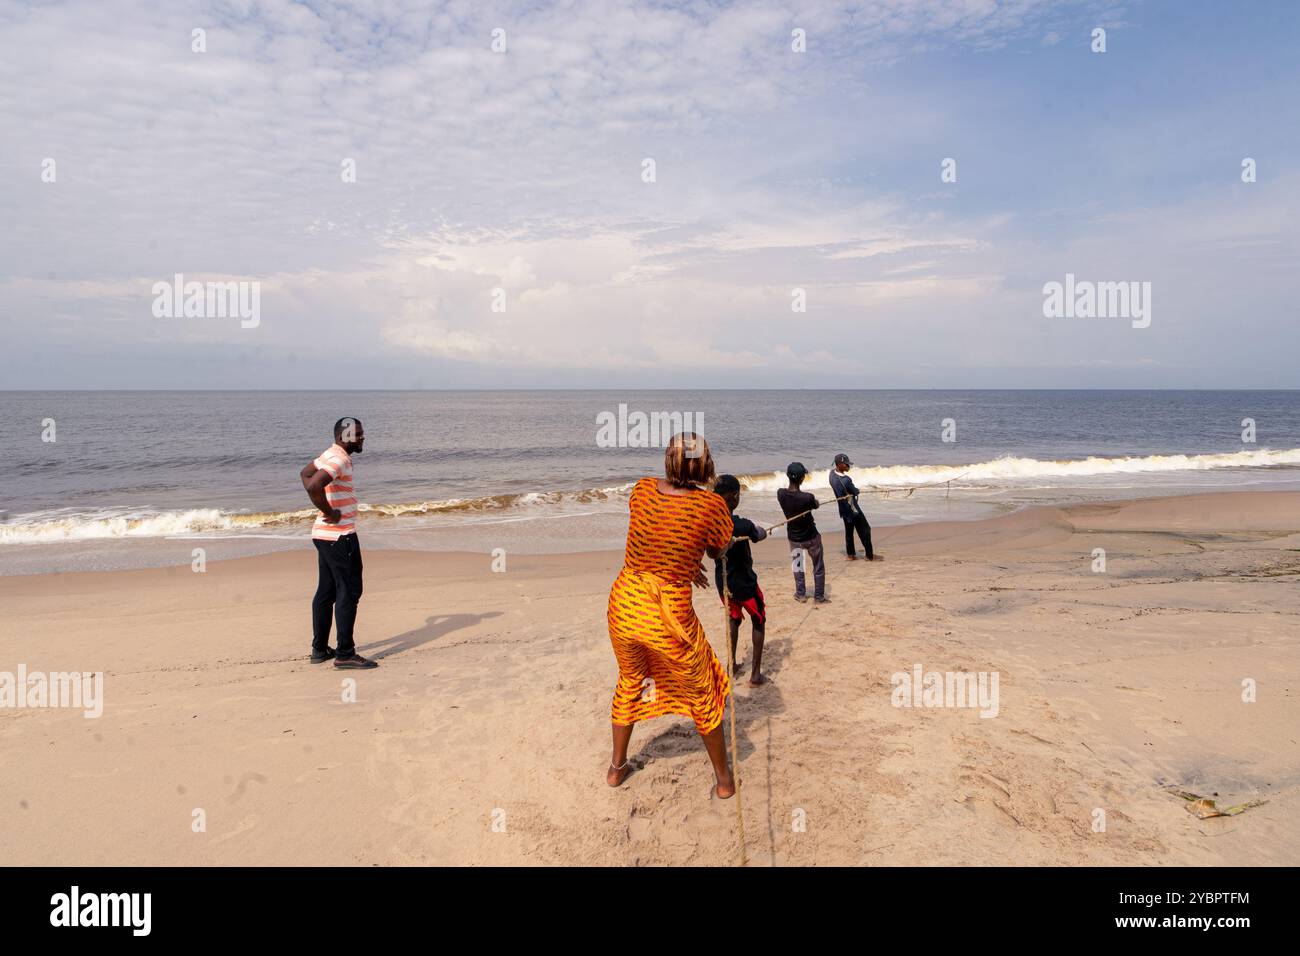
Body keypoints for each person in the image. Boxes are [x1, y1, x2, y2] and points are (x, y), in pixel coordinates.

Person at [606, 433, 736, 798]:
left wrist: (682, 564)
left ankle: (616, 769)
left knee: (630, 681)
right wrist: (688, 562)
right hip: (667, 616)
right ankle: (724, 782)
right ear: (706, 466)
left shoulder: (642, 489)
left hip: (624, 605)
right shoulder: (710, 507)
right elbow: (718, 549)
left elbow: (656, 537)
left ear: (668, 461)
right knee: (702, 690)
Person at [300, 417, 378, 669]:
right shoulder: (339, 459)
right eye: (357, 433)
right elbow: (313, 484)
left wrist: (325, 510)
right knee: (350, 591)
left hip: (324, 535)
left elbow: (305, 472)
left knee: (326, 591)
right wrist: (330, 512)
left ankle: (320, 649)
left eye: (362, 432)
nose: (363, 437)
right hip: (340, 535)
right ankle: (345, 653)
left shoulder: (330, 454)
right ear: (343, 436)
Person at [712, 475, 769, 686]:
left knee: (733, 618)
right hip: (745, 584)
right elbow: (758, 534)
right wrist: (763, 532)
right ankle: (755, 675)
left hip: (724, 584)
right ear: (735, 497)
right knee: (759, 619)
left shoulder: (712, 525)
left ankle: (732, 664)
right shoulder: (742, 525)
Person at [777, 461, 828, 604]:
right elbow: (815, 505)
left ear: (788, 476)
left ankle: (801, 594)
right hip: (811, 537)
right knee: (818, 566)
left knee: (798, 567)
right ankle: (819, 597)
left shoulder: (780, 494)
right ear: (801, 479)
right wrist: (815, 503)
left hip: (794, 538)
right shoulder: (807, 497)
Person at [828, 452, 875, 561]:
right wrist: (856, 491)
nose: (849, 466)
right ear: (839, 464)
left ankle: (850, 554)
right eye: (846, 464)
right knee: (865, 530)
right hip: (852, 509)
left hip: (843, 509)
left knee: (849, 531)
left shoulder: (831, 475)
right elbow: (855, 491)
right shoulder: (846, 480)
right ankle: (869, 556)